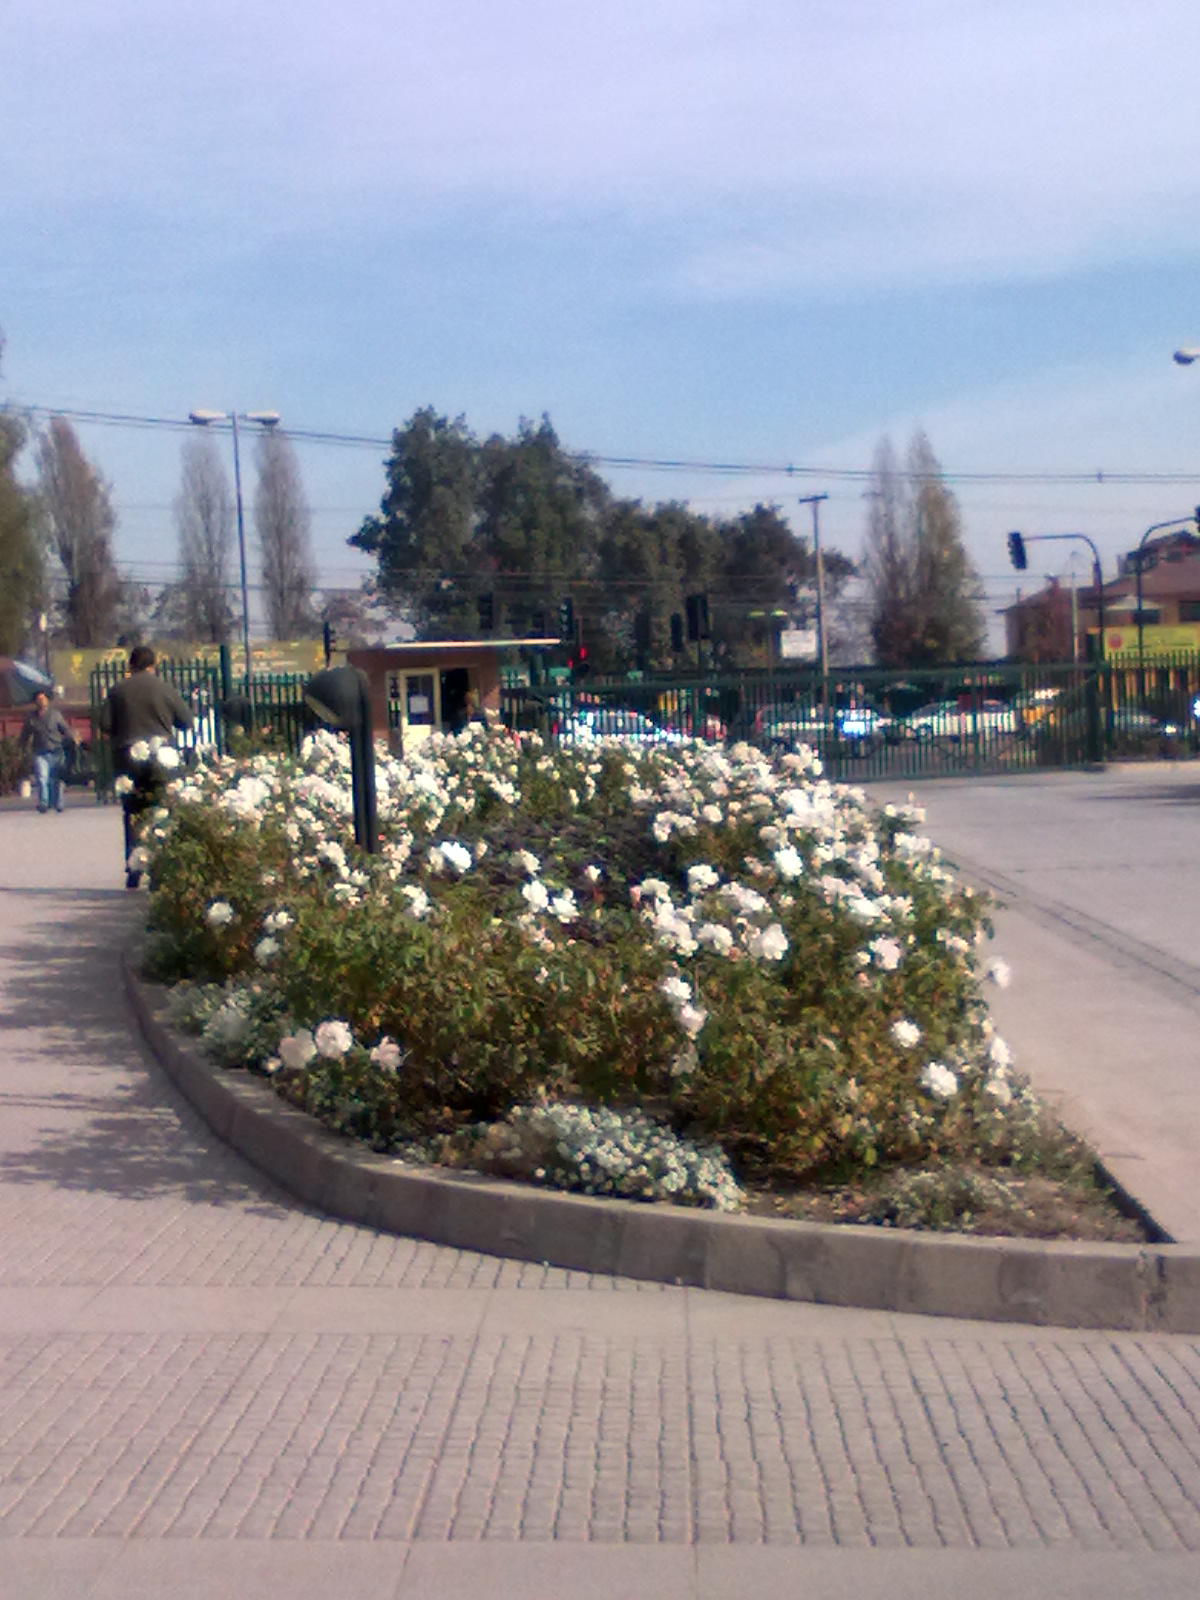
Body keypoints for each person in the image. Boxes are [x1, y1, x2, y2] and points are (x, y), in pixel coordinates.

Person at [99, 646, 193, 888]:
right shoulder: (165, 688)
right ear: (154, 665)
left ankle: (134, 866)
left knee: (132, 812)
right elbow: (186, 721)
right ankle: (160, 868)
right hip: (160, 758)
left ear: (131, 665)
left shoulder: (118, 690)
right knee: (161, 810)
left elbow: (105, 725)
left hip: (128, 757)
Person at [19, 689, 77, 814]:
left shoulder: (55, 715)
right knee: (42, 778)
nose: (41, 701)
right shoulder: (31, 718)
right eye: (39, 699)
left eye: (43, 699)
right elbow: (25, 734)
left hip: (56, 751)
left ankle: (58, 803)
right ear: (35, 702)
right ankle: (43, 803)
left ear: (47, 701)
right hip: (40, 752)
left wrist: (72, 740)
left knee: (56, 780)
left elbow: (65, 729)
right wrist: (22, 747)